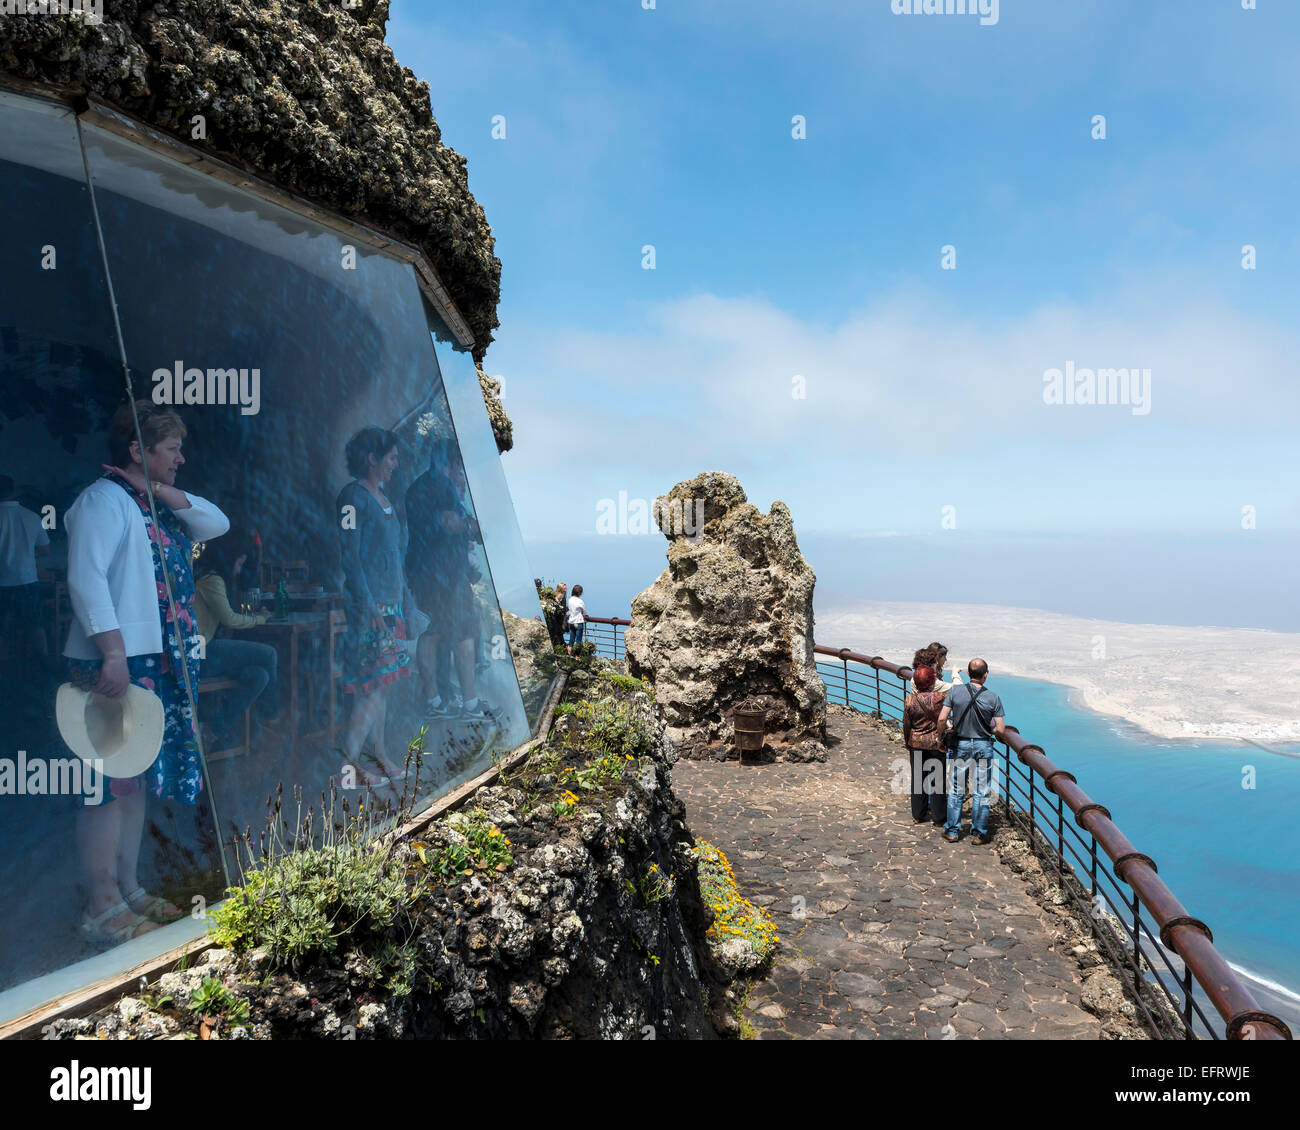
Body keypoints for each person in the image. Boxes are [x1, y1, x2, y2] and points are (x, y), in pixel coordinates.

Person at [64, 402, 229, 947]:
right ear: (138, 449)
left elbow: (216, 522)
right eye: (172, 449)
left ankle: (129, 888)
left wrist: (157, 489)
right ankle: (101, 905)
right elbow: (85, 578)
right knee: (105, 786)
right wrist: (112, 653)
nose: (181, 458)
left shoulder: (150, 503)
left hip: (154, 662)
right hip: (118, 661)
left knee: (132, 778)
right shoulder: (103, 500)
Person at [337, 427, 412, 783]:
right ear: (372, 459)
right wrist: (369, 608)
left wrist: (403, 604)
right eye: (392, 457)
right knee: (369, 687)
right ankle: (349, 766)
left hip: (390, 607)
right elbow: (350, 560)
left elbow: (392, 554)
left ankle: (378, 755)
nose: (396, 464)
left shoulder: (382, 497)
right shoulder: (351, 499)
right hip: (371, 610)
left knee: (381, 685)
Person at [405, 441, 493, 722]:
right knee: (463, 632)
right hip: (446, 576)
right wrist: (470, 527)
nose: (461, 472)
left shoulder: (416, 487)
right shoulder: (441, 485)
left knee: (433, 632)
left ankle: (435, 701)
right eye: (460, 466)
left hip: (424, 574)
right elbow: (449, 522)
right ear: (453, 463)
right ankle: (470, 704)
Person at [194, 527, 279, 751]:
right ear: (230, 559)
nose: (240, 569)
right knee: (269, 654)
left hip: (206, 650)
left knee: (259, 676)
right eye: (239, 562)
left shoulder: (210, 578)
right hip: (200, 655)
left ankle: (212, 730)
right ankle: (270, 715)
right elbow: (229, 619)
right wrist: (260, 619)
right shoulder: (212, 580)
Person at [935, 657, 1006, 844]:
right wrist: (990, 729)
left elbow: (942, 719)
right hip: (983, 745)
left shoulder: (955, 691)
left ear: (968, 673)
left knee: (956, 789)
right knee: (982, 791)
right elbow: (1000, 729)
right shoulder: (993, 697)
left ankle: (952, 831)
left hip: (961, 745)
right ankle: (979, 834)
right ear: (986, 675)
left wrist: (940, 737)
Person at [0, 473, 50, 662]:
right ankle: (42, 663)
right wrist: (26, 552)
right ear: (13, 491)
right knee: (35, 624)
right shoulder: (32, 517)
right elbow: (45, 550)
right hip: (26, 579)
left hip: (1, 581)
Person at [902, 664, 947, 827]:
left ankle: (918, 815)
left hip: (916, 742)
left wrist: (907, 741)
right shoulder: (940, 697)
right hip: (935, 744)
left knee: (918, 779)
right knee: (937, 781)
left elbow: (906, 724)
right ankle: (939, 817)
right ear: (932, 681)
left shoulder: (909, 700)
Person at [565, 583, 587, 654]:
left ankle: (569, 654)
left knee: (571, 640)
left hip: (571, 621)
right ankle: (577, 656)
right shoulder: (580, 601)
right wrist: (584, 615)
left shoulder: (570, 600)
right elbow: (584, 612)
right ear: (580, 592)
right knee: (578, 640)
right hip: (578, 621)